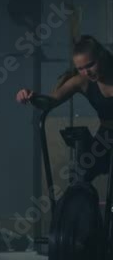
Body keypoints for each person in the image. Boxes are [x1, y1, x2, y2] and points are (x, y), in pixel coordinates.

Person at [16, 35, 113, 181]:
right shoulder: (82, 81)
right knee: (81, 172)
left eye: (90, 65)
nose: (86, 72)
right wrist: (30, 96)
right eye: (81, 68)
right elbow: (51, 101)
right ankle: (80, 194)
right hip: (106, 136)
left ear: (102, 56)